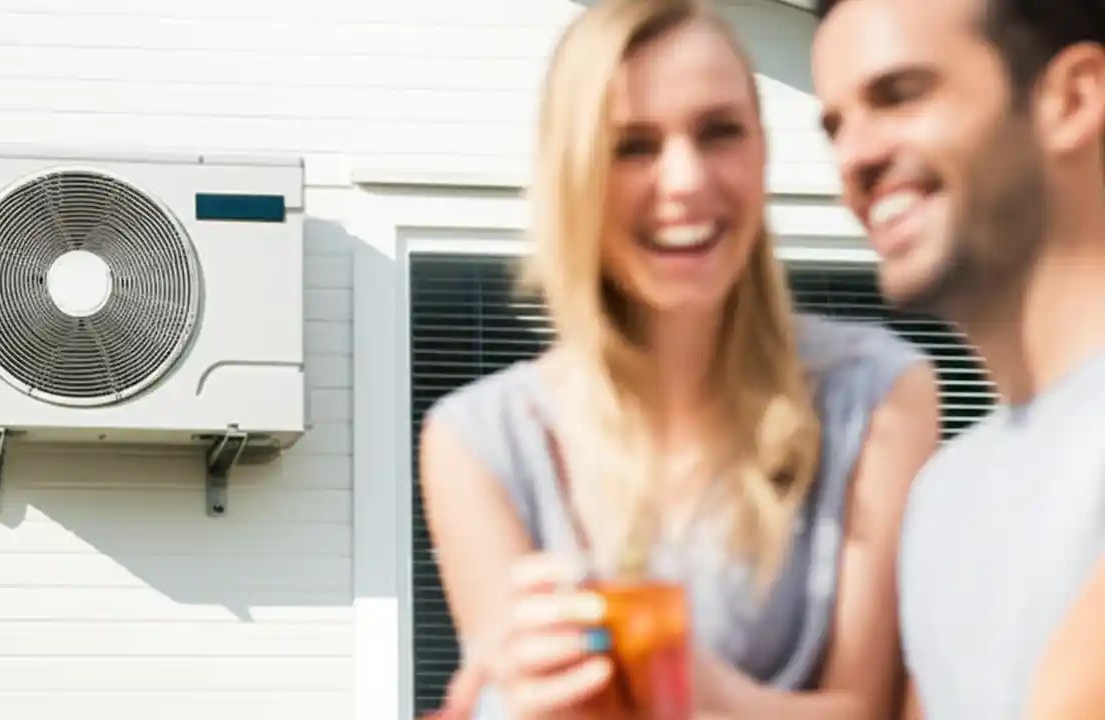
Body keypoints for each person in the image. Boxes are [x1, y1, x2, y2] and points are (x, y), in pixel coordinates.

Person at [417, 0, 940, 718]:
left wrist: (684, 681)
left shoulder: (881, 396)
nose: (686, 179)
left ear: (762, 150)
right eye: (634, 145)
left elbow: (871, 709)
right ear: (575, 174)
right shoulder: (476, 440)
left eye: (720, 132)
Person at [811, 1, 1105, 718]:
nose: (855, 158)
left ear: (1073, 99)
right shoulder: (942, 499)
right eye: (836, 125)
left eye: (900, 95)